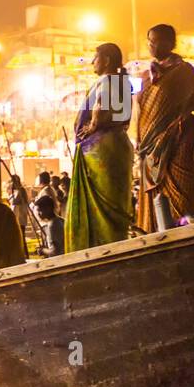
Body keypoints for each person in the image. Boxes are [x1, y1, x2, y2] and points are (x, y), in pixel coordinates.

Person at [136, 24, 194, 230]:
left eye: (156, 41)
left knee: (183, 205)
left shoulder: (184, 71)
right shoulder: (145, 76)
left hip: (181, 142)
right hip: (150, 151)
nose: (151, 45)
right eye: (149, 41)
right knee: (154, 200)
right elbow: (140, 112)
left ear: (170, 43)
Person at [67, 42, 136, 251]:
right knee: (115, 204)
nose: (91, 62)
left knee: (101, 207)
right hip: (119, 146)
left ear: (106, 60)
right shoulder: (124, 82)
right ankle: (116, 243)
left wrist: (92, 126)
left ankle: (99, 248)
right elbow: (125, 117)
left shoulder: (106, 81)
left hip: (101, 150)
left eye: (95, 58)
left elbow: (101, 109)